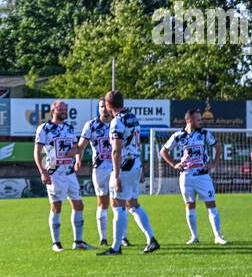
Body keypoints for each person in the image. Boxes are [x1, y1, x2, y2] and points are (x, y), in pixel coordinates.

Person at [98, 90, 160, 255]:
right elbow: (136, 144)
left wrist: (116, 175)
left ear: (109, 105)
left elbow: (116, 150)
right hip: (135, 164)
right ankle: (151, 239)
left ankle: (116, 247)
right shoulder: (133, 117)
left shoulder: (116, 122)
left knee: (117, 205)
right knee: (132, 203)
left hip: (124, 166)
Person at [160, 108, 227, 245]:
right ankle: (194, 236)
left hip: (202, 175)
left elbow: (218, 146)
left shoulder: (204, 134)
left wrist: (213, 163)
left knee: (211, 204)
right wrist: (174, 164)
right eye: (197, 119)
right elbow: (163, 151)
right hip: (186, 176)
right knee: (190, 205)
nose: (200, 121)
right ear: (189, 120)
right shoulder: (178, 135)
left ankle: (218, 236)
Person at [35, 100, 89, 251]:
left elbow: (74, 148)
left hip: (69, 172)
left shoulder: (69, 128)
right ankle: (56, 243)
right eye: (61, 109)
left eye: (66, 109)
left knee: (79, 205)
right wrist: (42, 171)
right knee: (56, 206)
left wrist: (76, 154)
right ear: (53, 110)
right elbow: (37, 152)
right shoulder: (45, 128)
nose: (64, 111)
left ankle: (78, 242)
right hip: (54, 173)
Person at [74, 99, 116, 246]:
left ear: (111, 108)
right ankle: (103, 238)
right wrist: (78, 159)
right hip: (100, 169)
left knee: (119, 203)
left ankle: (121, 237)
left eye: (106, 106)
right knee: (103, 203)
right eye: (101, 107)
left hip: (118, 168)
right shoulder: (91, 125)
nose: (104, 109)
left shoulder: (117, 123)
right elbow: (81, 145)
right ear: (98, 109)